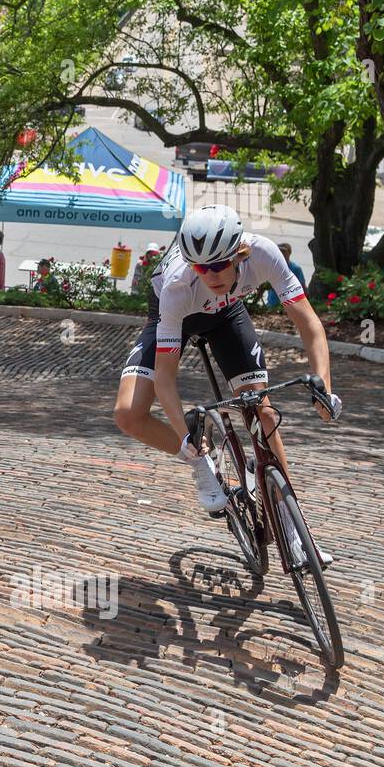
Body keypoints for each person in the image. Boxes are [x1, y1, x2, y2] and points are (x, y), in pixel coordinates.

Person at [114, 204, 342, 526]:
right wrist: (185, 438)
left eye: (219, 266)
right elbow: (165, 378)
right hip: (174, 317)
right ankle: (202, 465)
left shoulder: (263, 254)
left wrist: (324, 386)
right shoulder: (178, 285)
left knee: (262, 411)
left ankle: (290, 520)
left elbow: (308, 323)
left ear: (239, 254)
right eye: (200, 268)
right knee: (128, 414)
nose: (211, 276)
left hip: (227, 315)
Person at [265, 243, 307, 307]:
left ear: (289, 253)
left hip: (290, 304)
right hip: (272, 304)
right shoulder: (272, 266)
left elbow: (302, 286)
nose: (282, 254)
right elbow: (263, 285)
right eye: (279, 251)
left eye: (284, 251)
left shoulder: (296, 269)